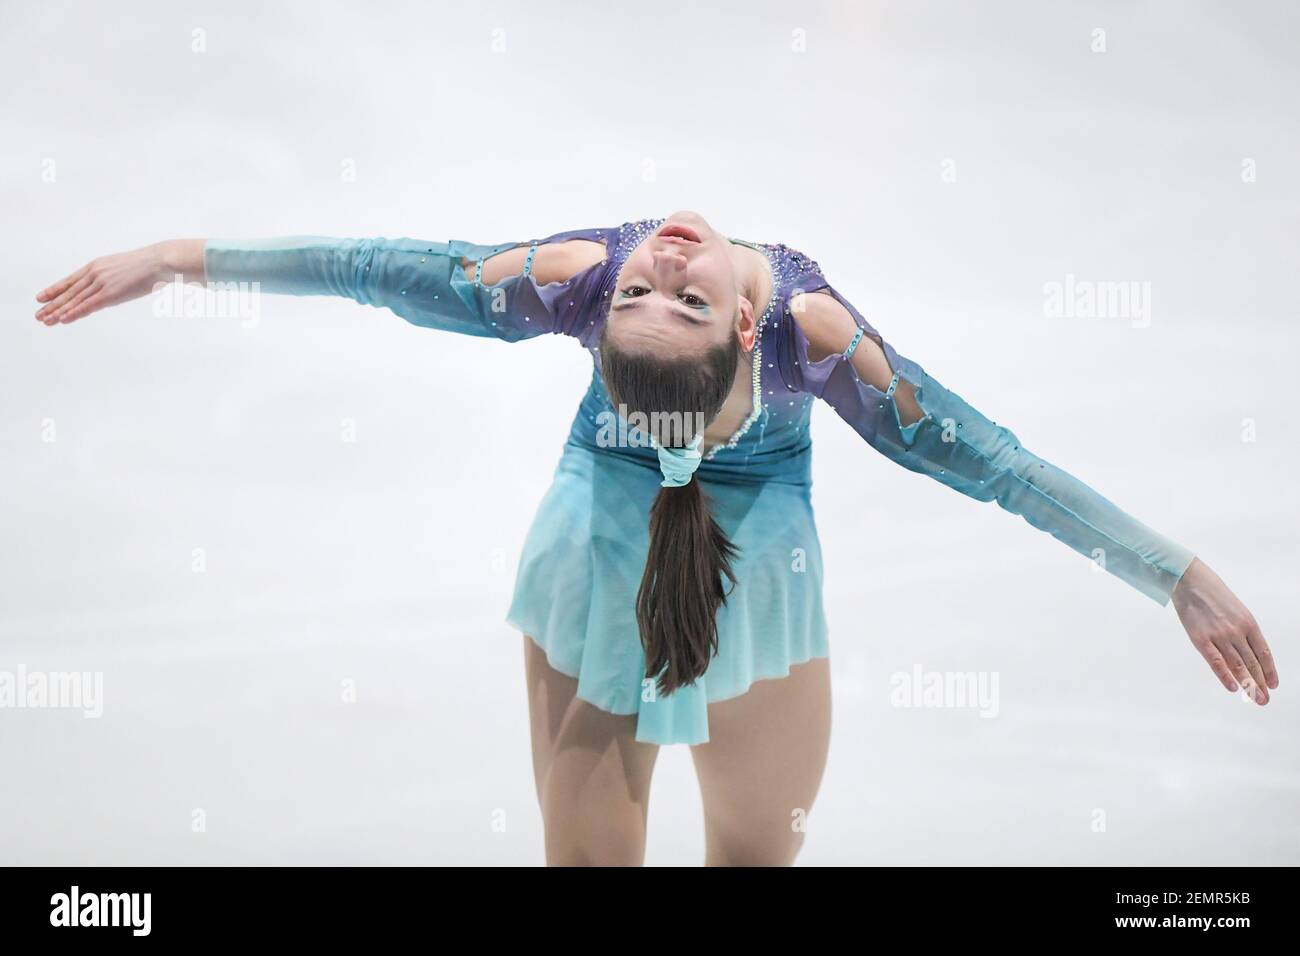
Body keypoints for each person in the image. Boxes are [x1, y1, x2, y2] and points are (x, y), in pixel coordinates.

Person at [35, 210, 1278, 866]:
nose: (664, 261)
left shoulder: (663, 294)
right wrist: (1168, 569)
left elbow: (380, 265)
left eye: (661, 290)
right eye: (659, 291)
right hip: (609, 554)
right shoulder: (757, 320)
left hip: (736, 564)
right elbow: (987, 457)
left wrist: (174, 258)